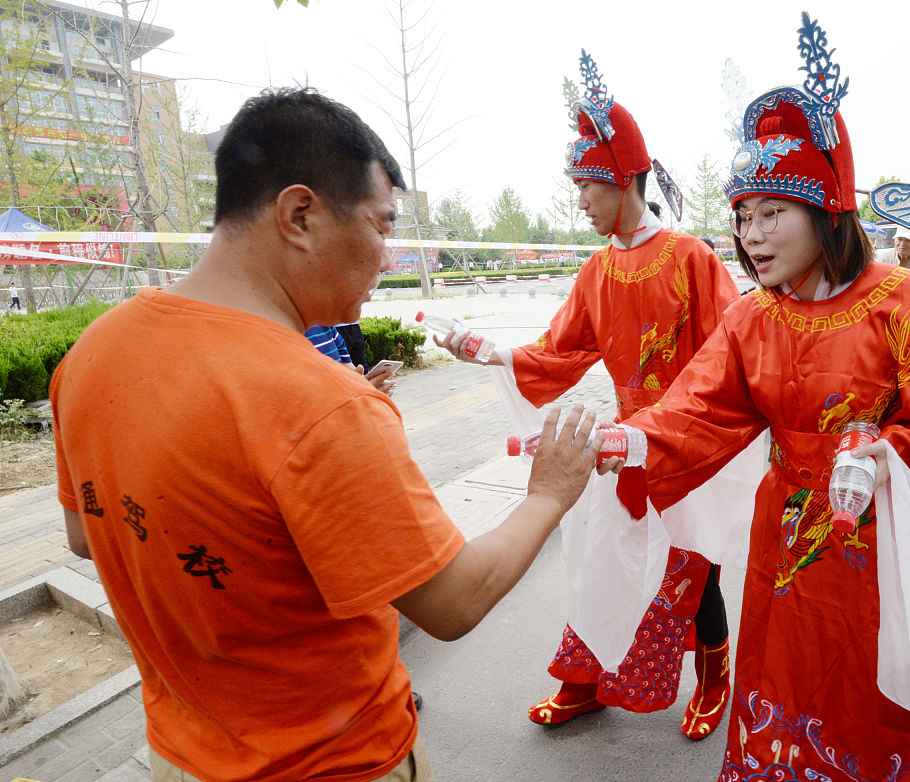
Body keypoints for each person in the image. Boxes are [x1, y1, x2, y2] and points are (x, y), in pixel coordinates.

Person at [51, 88, 603, 782]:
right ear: (301, 215)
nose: (388, 257)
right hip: (335, 762)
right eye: (383, 225)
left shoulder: (92, 355)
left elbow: (84, 533)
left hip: (177, 754)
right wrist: (549, 493)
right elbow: (454, 600)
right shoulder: (320, 403)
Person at [619, 15, 910, 779]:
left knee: (865, 696)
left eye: (773, 213)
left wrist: (889, 458)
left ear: (827, 213)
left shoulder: (905, 306)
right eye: (743, 215)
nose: (752, 234)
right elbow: (699, 409)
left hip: (871, 542)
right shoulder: (753, 315)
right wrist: (629, 441)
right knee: (780, 683)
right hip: (783, 540)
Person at [438, 53, 740, 741]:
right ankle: (586, 681)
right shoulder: (597, 271)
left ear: (620, 180)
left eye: (584, 186)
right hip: (620, 444)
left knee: (691, 569)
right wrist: (490, 351)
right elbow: (558, 352)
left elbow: (730, 355)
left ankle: (716, 677)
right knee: (603, 560)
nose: (578, 200)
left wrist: (684, 430)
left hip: (689, 440)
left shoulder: (691, 258)